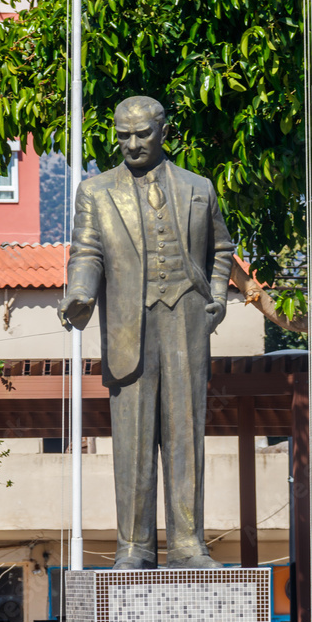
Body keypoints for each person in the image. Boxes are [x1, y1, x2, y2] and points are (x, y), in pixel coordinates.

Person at [58, 95, 234, 569]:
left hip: (186, 319)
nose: (132, 144)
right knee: (133, 440)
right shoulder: (95, 191)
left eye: (142, 134)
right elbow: (86, 251)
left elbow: (221, 248)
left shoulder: (199, 187)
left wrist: (216, 298)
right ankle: (134, 546)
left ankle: (188, 543)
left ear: (163, 132)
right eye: (123, 136)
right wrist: (80, 293)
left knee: (185, 433)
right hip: (128, 326)